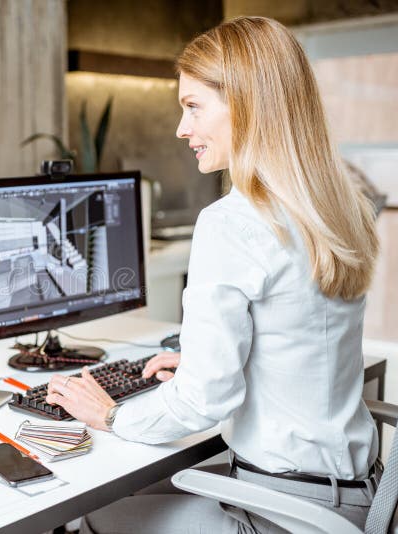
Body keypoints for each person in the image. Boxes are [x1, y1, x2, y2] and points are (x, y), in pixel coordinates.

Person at [46, 16, 381, 532]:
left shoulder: (232, 222)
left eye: (193, 107)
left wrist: (111, 416)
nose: (182, 129)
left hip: (278, 513)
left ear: (246, 104)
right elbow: (305, 342)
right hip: (350, 498)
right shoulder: (338, 208)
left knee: (87, 513)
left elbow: (205, 401)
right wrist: (201, 360)